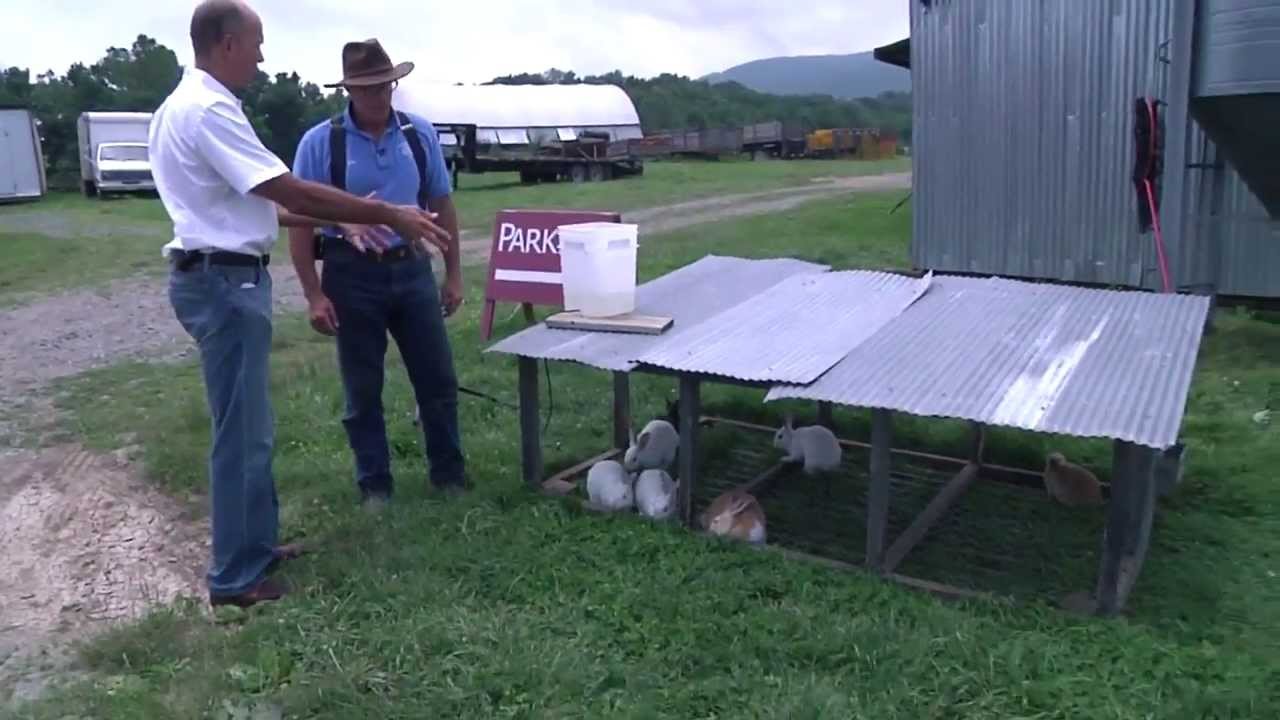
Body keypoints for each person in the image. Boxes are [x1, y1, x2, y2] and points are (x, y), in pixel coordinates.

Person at [150, 0, 451, 608]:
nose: (262, 59)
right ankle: (235, 578)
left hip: (221, 277)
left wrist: (338, 226)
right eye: (256, 45)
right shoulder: (208, 110)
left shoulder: (183, 106)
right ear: (228, 44)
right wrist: (382, 211)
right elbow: (282, 188)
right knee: (241, 437)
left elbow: (262, 206)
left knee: (252, 431)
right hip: (223, 283)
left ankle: (256, 550)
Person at [287, 39, 467, 511]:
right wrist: (313, 295)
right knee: (362, 389)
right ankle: (375, 486)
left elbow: (442, 206)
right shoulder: (321, 142)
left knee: (437, 379)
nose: (377, 96)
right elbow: (300, 221)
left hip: (411, 269)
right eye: (366, 88)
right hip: (351, 275)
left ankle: (449, 475)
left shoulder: (418, 134)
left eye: (384, 85)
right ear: (348, 89)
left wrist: (453, 276)